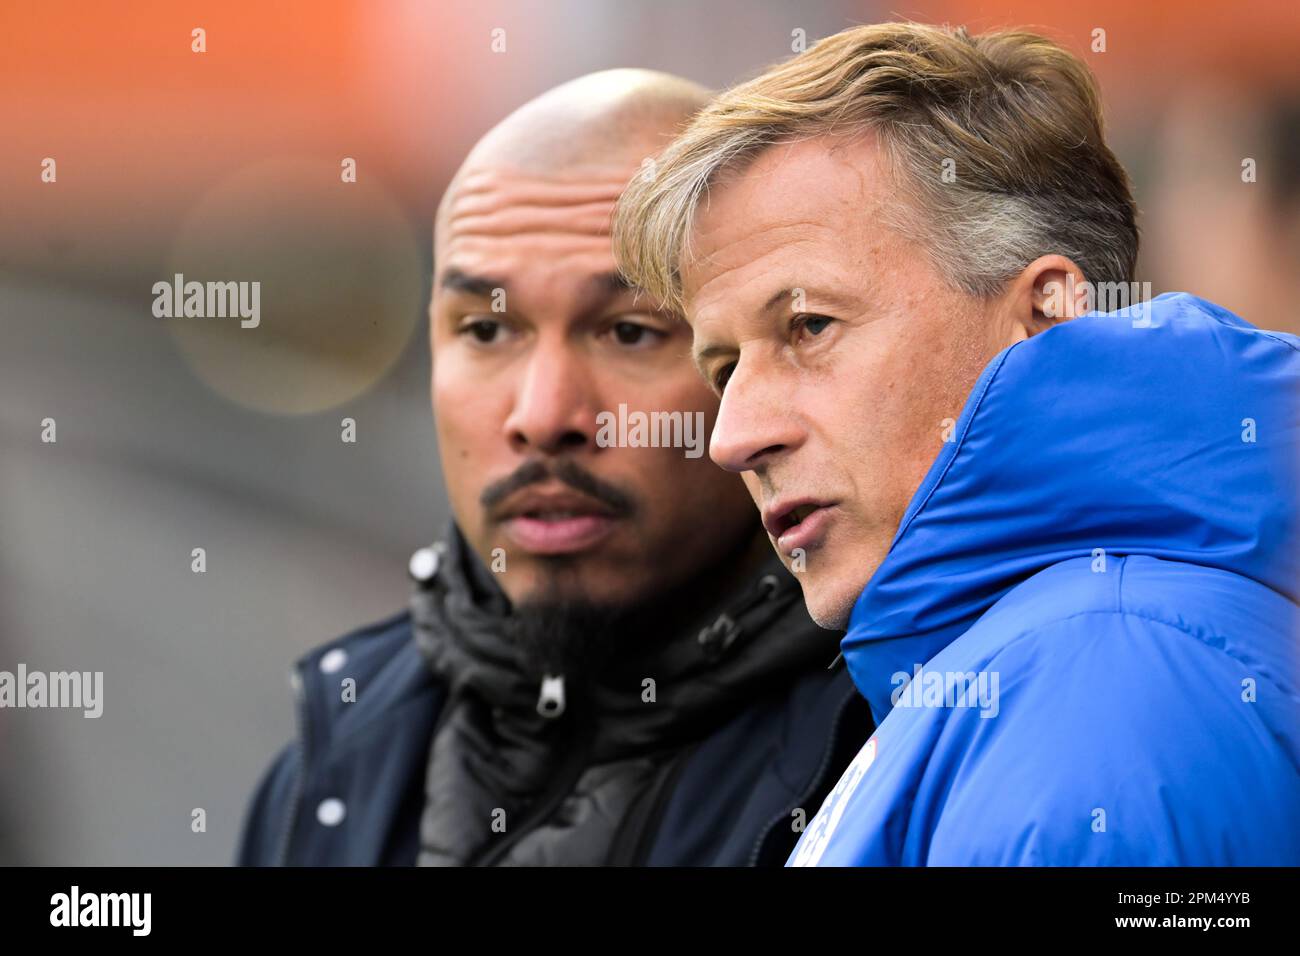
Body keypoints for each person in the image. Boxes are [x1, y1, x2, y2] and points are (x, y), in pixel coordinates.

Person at [613, 23, 1300, 865]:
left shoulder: (1105, 690)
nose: (733, 438)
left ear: (1044, 315)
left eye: (809, 326)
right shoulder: (1034, 673)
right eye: (723, 369)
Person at [236, 68, 872, 867]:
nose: (543, 416)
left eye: (631, 331)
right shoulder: (336, 765)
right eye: (485, 330)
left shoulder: (894, 740)